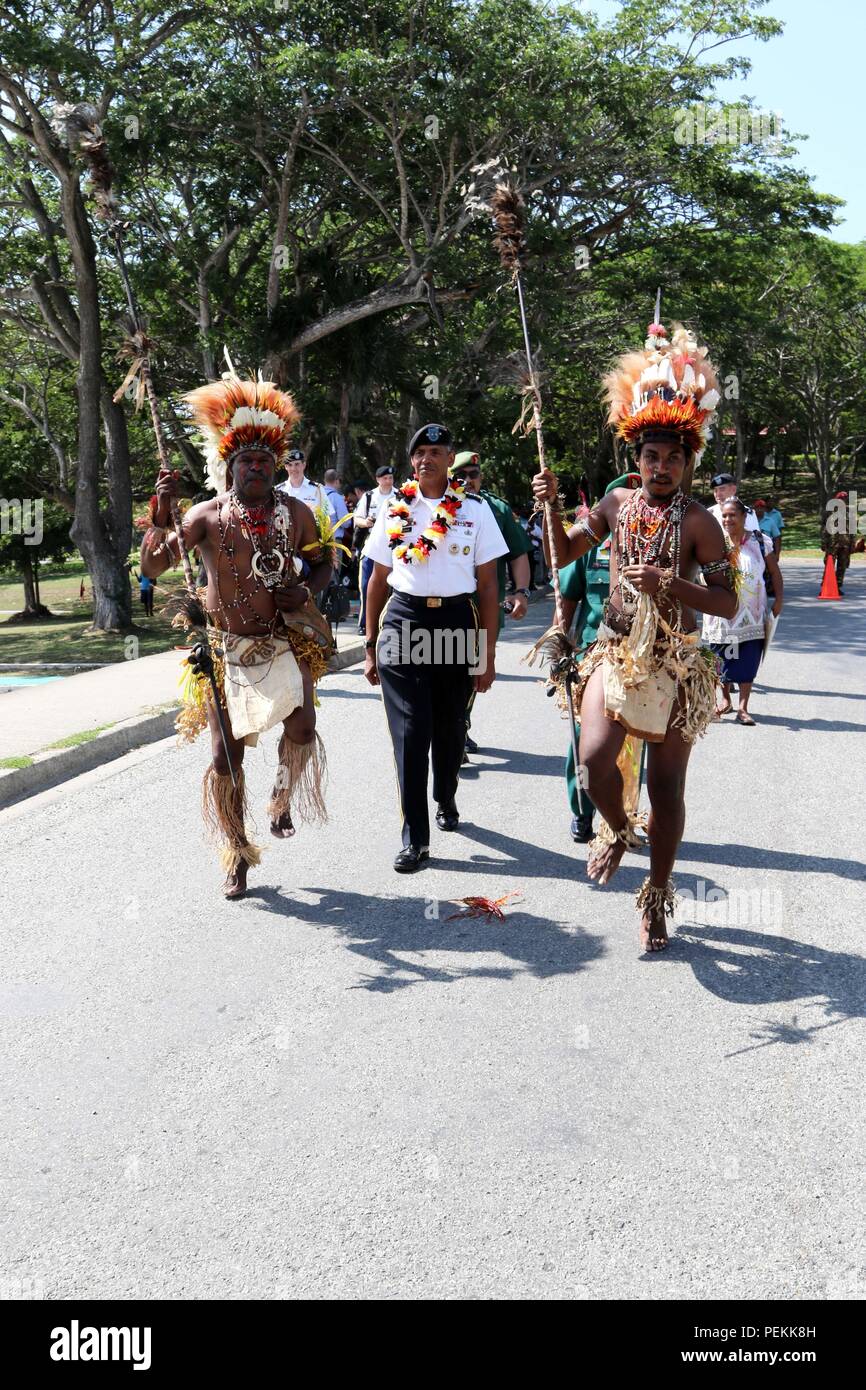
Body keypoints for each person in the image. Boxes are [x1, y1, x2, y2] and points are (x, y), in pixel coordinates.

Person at [532, 317, 737, 953]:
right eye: (652, 455)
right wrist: (548, 505)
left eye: (674, 457)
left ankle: (656, 893)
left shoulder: (701, 523)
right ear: (636, 458)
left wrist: (670, 585)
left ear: (688, 462)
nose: (662, 466)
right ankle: (617, 829)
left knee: (666, 787)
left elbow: (728, 603)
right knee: (595, 762)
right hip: (614, 652)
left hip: (675, 665)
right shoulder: (618, 506)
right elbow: (563, 551)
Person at [140, 370, 333, 900]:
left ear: (275, 467)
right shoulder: (204, 516)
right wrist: (161, 516)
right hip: (226, 650)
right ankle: (237, 851)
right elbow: (154, 567)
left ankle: (280, 797)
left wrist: (307, 591)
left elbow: (324, 566)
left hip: (284, 641)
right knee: (226, 757)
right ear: (230, 467)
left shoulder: (295, 513)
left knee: (301, 727)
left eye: (264, 461)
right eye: (246, 460)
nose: (255, 467)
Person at [363, 423, 508, 871]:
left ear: (450, 459)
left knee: (449, 730)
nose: (426, 458)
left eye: (436, 451)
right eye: (419, 452)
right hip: (405, 621)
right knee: (410, 731)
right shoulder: (393, 508)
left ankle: (445, 794)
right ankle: (415, 839)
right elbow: (377, 581)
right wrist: (370, 646)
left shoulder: (475, 510)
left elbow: (487, 586)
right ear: (411, 461)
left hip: (455, 622)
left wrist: (487, 653)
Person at [559, 473, 641, 843]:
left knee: (640, 740)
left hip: (645, 655)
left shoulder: (658, 542)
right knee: (585, 737)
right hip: (595, 651)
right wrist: (560, 640)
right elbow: (569, 596)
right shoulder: (592, 542)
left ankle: (628, 814)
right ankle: (583, 810)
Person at [451, 449, 532, 756]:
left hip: (485, 605)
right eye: (461, 476)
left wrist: (522, 592)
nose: (468, 481)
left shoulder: (495, 508)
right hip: (447, 604)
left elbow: (518, 553)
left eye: (474, 475)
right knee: (448, 670)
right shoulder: (435, 504)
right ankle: (453, 727)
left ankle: (459, 724)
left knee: (476, 668)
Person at [702, 497, 783, 724]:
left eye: (732, 515)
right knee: (720, 661)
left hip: (752, 614)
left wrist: (779, 600)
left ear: (744, 517)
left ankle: (743, 708)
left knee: (748, 660)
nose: (727, 519)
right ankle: (724, 699)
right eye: (724, 516)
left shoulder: (759, 541)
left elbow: (775, 573)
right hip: (720, 615)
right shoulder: (714, 542)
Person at [353, 464, 395, 633]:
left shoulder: (399, 495)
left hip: (393, 544)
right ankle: (365, 624)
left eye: (391, 478)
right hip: (372, 543)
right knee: (366, 585)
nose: (388, 481)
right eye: (385, 478)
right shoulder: (369, 497)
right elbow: (357, 518)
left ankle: (386, 622)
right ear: (378, 479)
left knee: (392, 587)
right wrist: (367, 522)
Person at [277, 448, 335, 521]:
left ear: (304, 465)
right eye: (290, 465)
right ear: (286, 467)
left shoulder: (317, 489)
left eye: (297, 464)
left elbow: (328, 517)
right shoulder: (279, 490)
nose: (293, 468)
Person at [822, 491, 858, 594]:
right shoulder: (830, 512)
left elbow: (853, 531)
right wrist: (823, 542)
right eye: (840, 499)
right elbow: (824, 529)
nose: (842, 501)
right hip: (832, 544)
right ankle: (826, 586)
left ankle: (837, 586)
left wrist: (853, 544)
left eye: (844, 499)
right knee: (829, 565)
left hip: (845, 544)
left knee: (842, 566)